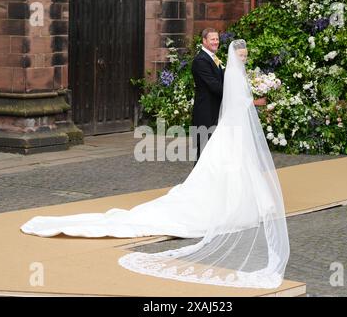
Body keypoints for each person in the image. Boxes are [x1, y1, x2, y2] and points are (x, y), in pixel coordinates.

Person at [21, 40, 290, 289]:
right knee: (224, 166)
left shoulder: (230, 69)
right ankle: (227, 203)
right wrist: (255, 100)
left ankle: (243, 201)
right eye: (241, 56)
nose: (243, 59)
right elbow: (233, 99)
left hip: (232, 129)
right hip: (231, 128)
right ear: (236, 56)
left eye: (244, 56)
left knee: (234, 165)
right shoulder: (229, 73)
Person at [191, 28, 225, 164]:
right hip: (205, 113)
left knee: (212, 153)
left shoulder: (213, 58)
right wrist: (234, 93)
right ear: (204, 41)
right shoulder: (201, 60)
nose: (216, 42)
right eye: (212, 39)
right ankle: (197, 183)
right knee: (203, 153)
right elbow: (214, 86)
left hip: (214, 110)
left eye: (217, 39)